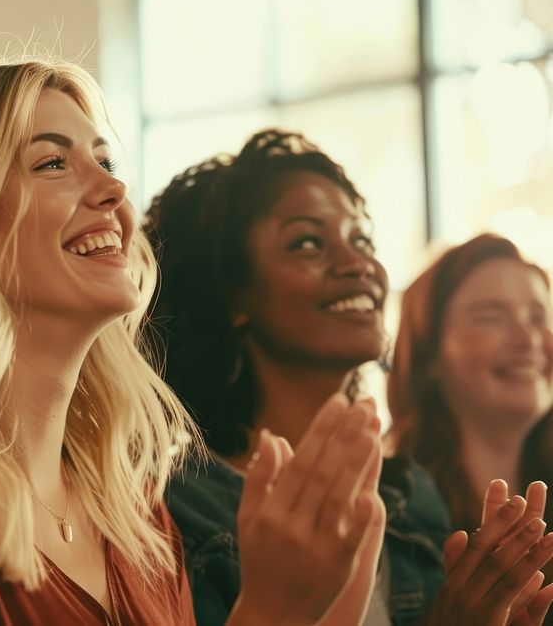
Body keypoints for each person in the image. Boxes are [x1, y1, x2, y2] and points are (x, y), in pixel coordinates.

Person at [0, 61, 384, 625]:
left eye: (106, 163)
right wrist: (274, 610)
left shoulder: (136, 515)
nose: (113, 193)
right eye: (52, 164)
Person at [146, 129, 553, 625]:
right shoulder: (177, 511)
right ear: (232, 295)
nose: (358, 264)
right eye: (309, 243)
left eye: (362, 239)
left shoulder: (410, 495)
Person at [388, 233, 553, 609]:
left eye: (539, 316)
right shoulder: (386, 517)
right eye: (491, 318)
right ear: (429, 358)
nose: (527, 338)